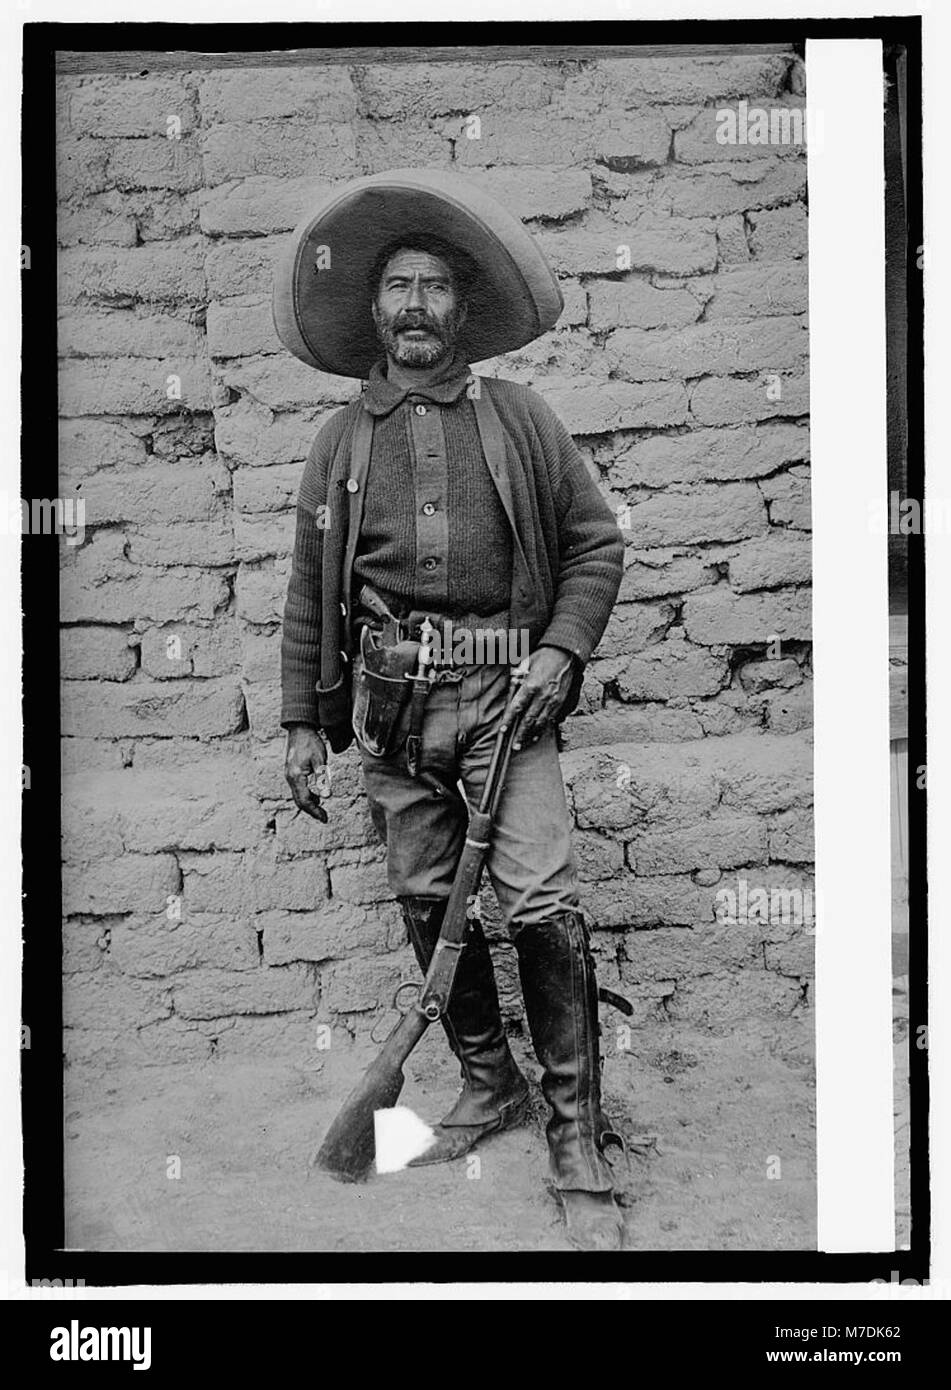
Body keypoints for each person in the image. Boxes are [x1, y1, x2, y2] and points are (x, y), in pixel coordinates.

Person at [276, 171, 626, 1250]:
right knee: (430, 896)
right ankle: (490, 1081)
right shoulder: (340, 445)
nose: (417, 304)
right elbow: (305, 592)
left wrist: (561, 654)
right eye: (398, 288)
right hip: (391, 713)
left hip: (508, 705)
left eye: (435, 286)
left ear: (463, 311)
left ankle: (576, 1131)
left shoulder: (520, 420)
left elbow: (596, 545)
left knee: (541, 898)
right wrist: (303, 722)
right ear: (375, 314)